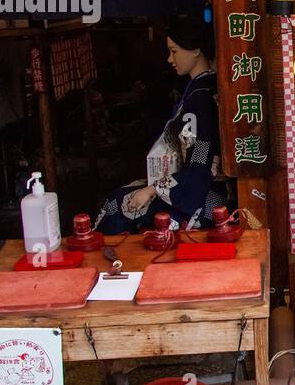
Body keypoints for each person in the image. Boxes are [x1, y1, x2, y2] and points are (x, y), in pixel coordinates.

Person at [94, 16, 230, 234]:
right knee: (127, 193)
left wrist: (152, 189)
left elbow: (200, 162)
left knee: (116, 204)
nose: (169, 59)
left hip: (202, 197)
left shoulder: (199, 100)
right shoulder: (205, 87)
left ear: (195, 50)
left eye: (174, 51)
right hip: (201, 186)